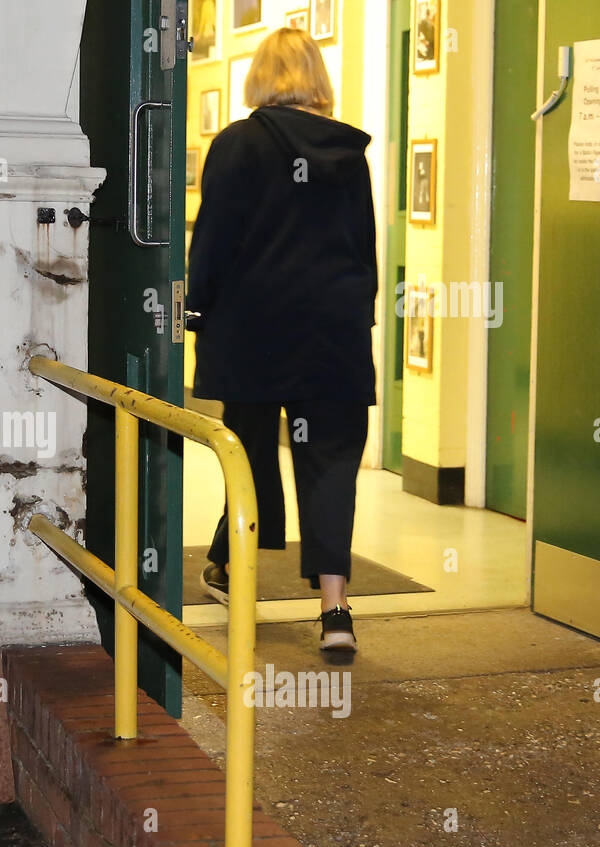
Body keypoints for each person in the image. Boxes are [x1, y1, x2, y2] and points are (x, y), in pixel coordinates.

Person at [185, 28, 377, 658]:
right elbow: (364, 252)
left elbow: (212, 240)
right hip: (333, 334)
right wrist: (358, 319)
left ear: (261, 78)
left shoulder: (238, 144)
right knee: (329, 469)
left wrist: (196, 309)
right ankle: (336, 612)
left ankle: (237, 574)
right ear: (316, 79)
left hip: (253, 333)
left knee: (249, 455)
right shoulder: (350, 155)